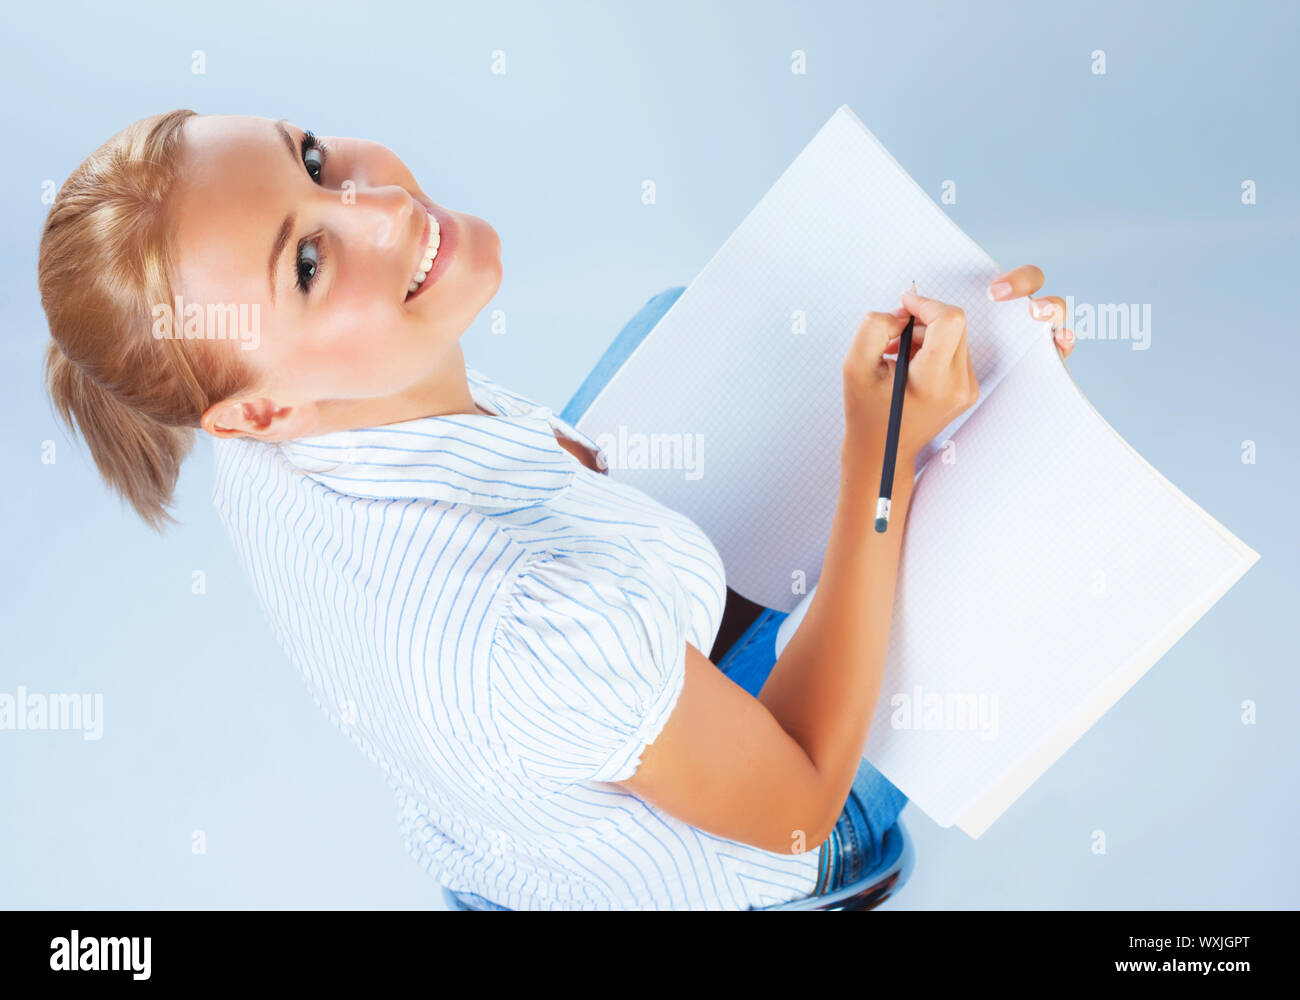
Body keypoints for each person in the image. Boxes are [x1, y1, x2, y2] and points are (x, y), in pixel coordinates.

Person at [36, 109, 1077, 909]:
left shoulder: (264, 444)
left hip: (513, 822)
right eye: (307, 264)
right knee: (981, 469)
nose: (384, 207)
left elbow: (543, 474)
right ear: (256, 406)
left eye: (309, 159)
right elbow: (794, 810)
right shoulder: (530, 629)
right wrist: (888, 456)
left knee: (681, 328)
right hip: (745, 849)